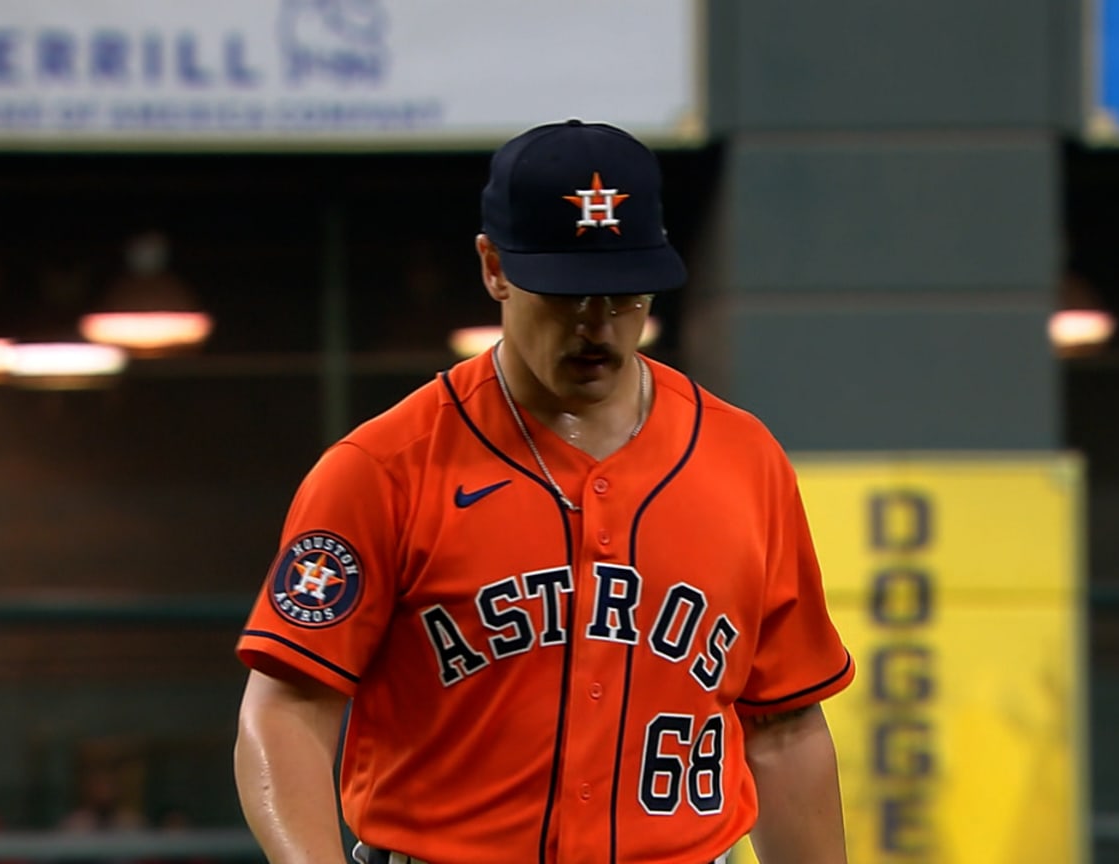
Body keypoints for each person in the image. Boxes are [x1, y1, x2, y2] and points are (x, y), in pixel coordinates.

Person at [234, 118, 854, 863]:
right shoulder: (382, 468)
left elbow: (785, 728)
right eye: (567, 293)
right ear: (494, 268)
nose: (598, 324)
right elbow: (287, 710)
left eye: (624, 295)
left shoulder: (743, 460)